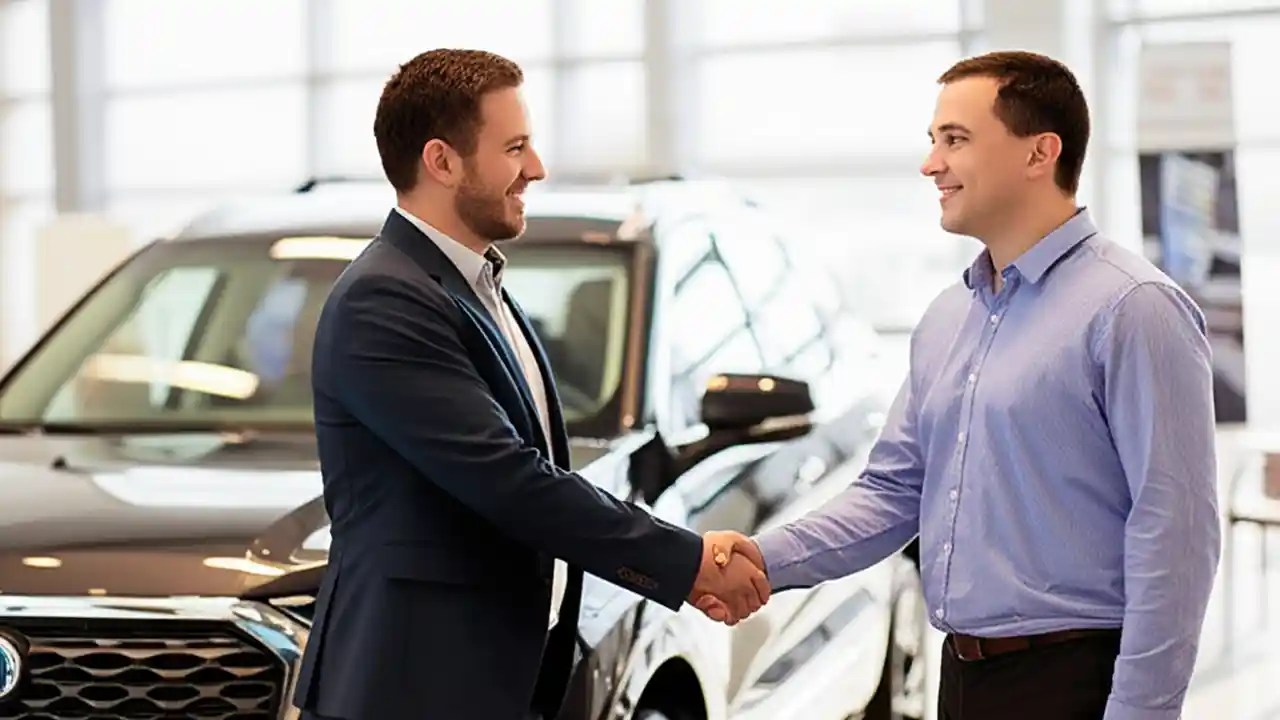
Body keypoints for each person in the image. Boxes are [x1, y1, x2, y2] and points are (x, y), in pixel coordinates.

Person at [704, 50, 1220, 719]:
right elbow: (894, 491)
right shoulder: (950, 316)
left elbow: (1175, 533)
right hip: (964, 676)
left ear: (1040, 153)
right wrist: (763, 559)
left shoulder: (1135, 308)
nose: (931, 164)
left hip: (1076, 682)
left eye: (955, 140)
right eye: (932, 141)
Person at [292, 48, 768, 720]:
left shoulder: (475, 285)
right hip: (412, 686)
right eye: (515, 147)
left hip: (483, 680)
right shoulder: (385, 300)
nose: (536, 169)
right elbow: (509, 480)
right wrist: (687, 561)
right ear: (442, 162)